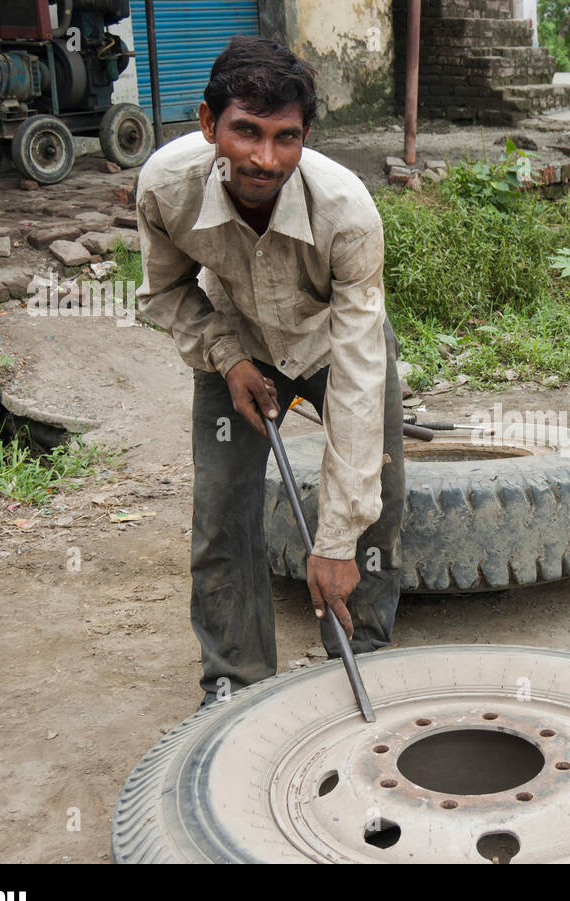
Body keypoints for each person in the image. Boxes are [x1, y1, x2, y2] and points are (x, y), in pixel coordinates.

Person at [134, 35, 403, 707]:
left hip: (337, 343)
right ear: (208, 124)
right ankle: (235, 681)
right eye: (245, 132)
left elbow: (361, 380)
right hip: (238, 341)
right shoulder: (166, 188)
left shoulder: (347, 212)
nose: (264, 157)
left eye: (285, 138)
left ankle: (363, 646)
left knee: (378, 498)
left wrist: (335, 540)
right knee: (222, 511)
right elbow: (165, 293)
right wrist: (227, 359)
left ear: (306, 137)